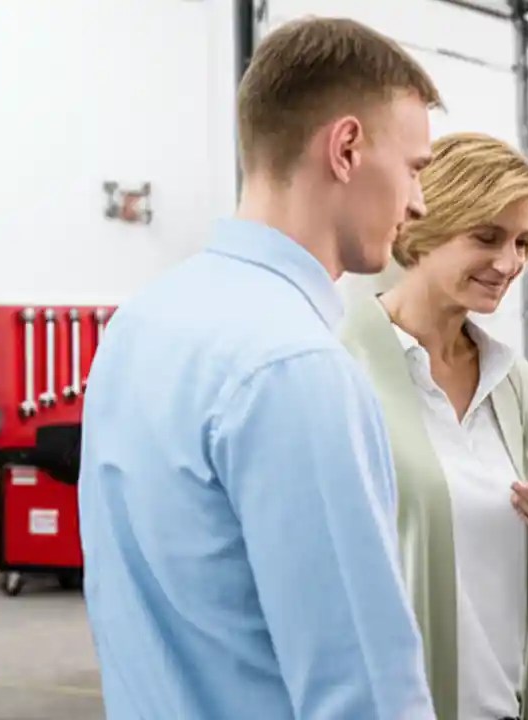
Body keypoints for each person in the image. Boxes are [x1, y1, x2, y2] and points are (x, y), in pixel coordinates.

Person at [78, 18, 441, 719]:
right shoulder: (296, 367)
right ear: (347, 148)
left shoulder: (141, 324)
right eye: (416, 168)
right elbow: (361, 691)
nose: (419, 202)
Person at [339, 131, 528, 720]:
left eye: (523, 242)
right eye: (487, 237)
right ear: (422, 225)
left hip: (502, 704)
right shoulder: (339, 367)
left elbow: (504, 556)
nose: (509, 263)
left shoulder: (517, 384)